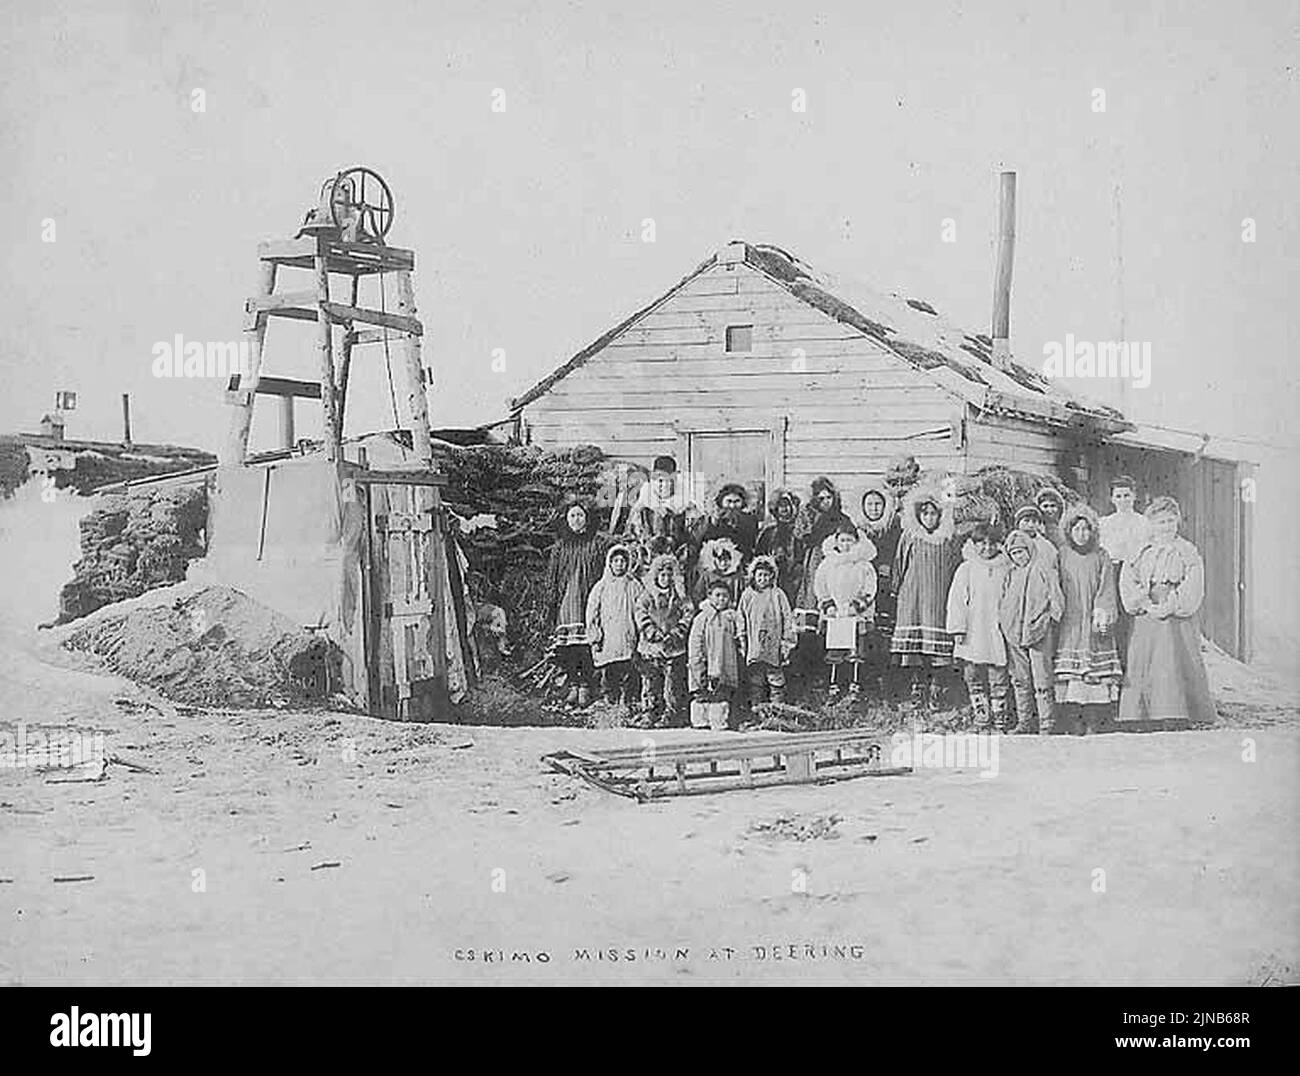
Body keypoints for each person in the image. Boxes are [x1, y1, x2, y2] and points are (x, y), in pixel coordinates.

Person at [1118, 496, 1216, 724]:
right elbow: (1128, 578)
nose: (1166, 527)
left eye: (1170, 521)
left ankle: (1177, 713)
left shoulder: (1186, 550)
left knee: (1174, 659)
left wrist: (1172, 604)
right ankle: (1141, 715)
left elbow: (1194, 580)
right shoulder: (1140, 550)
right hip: (1146, 612)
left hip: (1175, 614)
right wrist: (1141, 601)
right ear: (1151, 524)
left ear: (1178, 522)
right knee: (1144, 660)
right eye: (1161, 522)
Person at [891, 484, 963, 710]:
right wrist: (896, 588)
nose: (929, 518)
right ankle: (917, 687)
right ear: (918, 515)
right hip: (912, 597)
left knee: (936, 647)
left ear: (940, 515)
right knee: (915, 647)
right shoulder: (910, 536)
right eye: (925, 513)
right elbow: (899, 564)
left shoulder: (949, 539)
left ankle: (937, 688)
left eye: (933, 513)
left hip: (939, 598)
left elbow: (955, 568)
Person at [1053, 502, 1123, 733]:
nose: (1082, 534)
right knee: (1073, 675)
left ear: (1093, 531)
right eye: (1077, 529)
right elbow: (1055, 585)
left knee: (1095, 674)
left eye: (1086, 529)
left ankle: (1095, 718)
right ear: (1069, 532)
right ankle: (1074, 719)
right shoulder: (1062, 555)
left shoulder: (1101, 555)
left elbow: (1106, 589)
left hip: (1093, 619)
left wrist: (1102, 616)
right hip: (1071, 621)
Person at [946, 523, 1011, 730]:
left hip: (996, 627)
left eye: (992, 543)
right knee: (973, 674)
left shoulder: (1006, 568)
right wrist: (957, 628)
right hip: (973, 629)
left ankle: (999, 715)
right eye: (981, 543)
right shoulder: (967, 568)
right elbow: (957, 600)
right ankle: (981, 715)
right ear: (974, 545)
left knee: (997, 674)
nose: (987, 548)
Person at [999, 529, 1064, 734]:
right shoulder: (1010, 574)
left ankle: (1047, 721)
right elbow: (1003, 600)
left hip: (1038, 629)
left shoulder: (1042, 569)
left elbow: (1056, 597)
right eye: (1015, 553)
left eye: (1022, 551)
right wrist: (1004, 621)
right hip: (1014, 631)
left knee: (1042, 677)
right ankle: (1025, 721)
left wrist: (1050, 619)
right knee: (1020, 679)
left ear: (1030, 550)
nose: (1019, 556)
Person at [543, 498, 606, 707]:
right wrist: (552, 600)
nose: (576, 519)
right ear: (567, 519)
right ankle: (573, 684)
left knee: (587, 645)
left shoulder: (596, 543)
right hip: (567, 602)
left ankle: (586, 685)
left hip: (589, 599)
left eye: (580, 515)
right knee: (569, 647)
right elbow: (553, 575)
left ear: (587, 518)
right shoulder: (561, 546)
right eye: (572, 516)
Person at [813, 522, 879, 698]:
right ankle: (834, 683)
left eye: (850, 540)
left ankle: (855, 683)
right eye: (842, 540)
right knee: (836, 648)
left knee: (856, 649)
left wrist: (857, 605)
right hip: (836, 613)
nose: (846, 544)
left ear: (856, 542)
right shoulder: (828, 563)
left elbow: (869, 587)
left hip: (855, 613)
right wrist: (828, 605)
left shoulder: (864, 564)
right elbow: (820, 585)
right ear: (836, 542)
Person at [585, 543, 645, 717]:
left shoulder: (633, 585)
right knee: (610, 673)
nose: (619, 564)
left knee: (629, 671)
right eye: (616, 561)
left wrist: (641, 634)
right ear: (609, 563)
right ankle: (610, 703)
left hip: (628, 635)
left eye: (623, 561)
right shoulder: (601, 587)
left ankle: (627, 703)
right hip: (609, 639)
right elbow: (592, 612)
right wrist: (595, 636)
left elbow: (641, 609)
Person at [1098, 474, 1150, 669]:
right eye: (1118, 496)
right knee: (1112, 619)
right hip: (1111, 571)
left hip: (1135, 572)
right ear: (1112, 498)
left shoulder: (1143, 523)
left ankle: (1135, 666)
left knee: (1133, 619)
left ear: (1134, 496)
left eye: (1126, 495)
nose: (1122, 500)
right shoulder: (1105, 523)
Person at [634, 552, 692, 727]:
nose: (666, 579)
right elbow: (640, 612)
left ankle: (671, 712)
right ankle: (650, 711)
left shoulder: (679, 596)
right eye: (662, 575)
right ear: (656, 576)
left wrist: (678, 631)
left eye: (669, 575)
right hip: (652, 646)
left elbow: (688, 612)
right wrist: (651, 631)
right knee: (651, 680)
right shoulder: (648, 595)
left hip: (672, 645)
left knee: (672, 682)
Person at [736, 554, 796, 705]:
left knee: (775, 674)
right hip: (754, 643)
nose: (763, 579)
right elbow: (740, 617)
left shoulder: (778, 594)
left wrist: (787, 641)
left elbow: (787, 617)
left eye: (766, 575)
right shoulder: (748, 595)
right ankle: (757, 708)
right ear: (753, 576)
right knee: (756, 676)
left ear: (772, 576)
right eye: (760, 575)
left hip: (773, 643)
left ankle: (776, 708)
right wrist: (742, 638)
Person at [626, 455, 700, 569]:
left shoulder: (686, 505)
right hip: (646, 561)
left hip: (678, 561)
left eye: (667, 481)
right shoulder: (642, 505)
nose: (661, 485)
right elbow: (631, 536)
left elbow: (693, 539)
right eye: (657, 480)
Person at [688, 580, 742, 731]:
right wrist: (697, 662)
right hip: (705, 663)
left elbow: (737, 640)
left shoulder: (731, 618)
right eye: (717, 595)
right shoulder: (702, 618)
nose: (721, 599)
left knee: (721, 694)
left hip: (724, 664)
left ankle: (719, 722)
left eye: (725, 596)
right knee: (702, 694)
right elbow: (695, 641)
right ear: (709, 596)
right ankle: (701, 722)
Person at [793, 477, 852, 610]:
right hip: (814, 561)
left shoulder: (842, 519)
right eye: (821, 499)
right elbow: (801, 539)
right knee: (814, 592)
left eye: (828, 498)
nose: (826, 502)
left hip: (836, 564)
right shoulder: (809, 518)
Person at [859, 481, 901, 644]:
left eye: (878, 504)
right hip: (864, 583)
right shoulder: (859, 530)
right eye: (869, 504)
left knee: (884, 623)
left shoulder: (892, 528)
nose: (874, 508)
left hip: (886, 581)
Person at [756, 489, 803, 606]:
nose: (784, 509)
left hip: (795, 579)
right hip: (773, 578)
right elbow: (759, 556)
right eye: (780, 506)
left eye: (787, 505)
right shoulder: (769, 532)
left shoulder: (800, 532)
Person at [700, 482, 759, 558]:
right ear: (721, 502)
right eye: (729, 501)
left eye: (737, 501)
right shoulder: (713, 521)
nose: (732, 506)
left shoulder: (751, 521)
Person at [692, 536, 745, 606]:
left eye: (726, 559)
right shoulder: (708, 575)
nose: (723, 563)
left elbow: (741, 596)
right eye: (720, 559)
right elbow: (697, 594)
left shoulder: (736, 578)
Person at [1012, 504, 1059, 569]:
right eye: (1026, 521)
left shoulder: (1046, 546)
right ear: (1018, 523)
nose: (1030, 525)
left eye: (1034, 521)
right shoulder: (1011, 542)